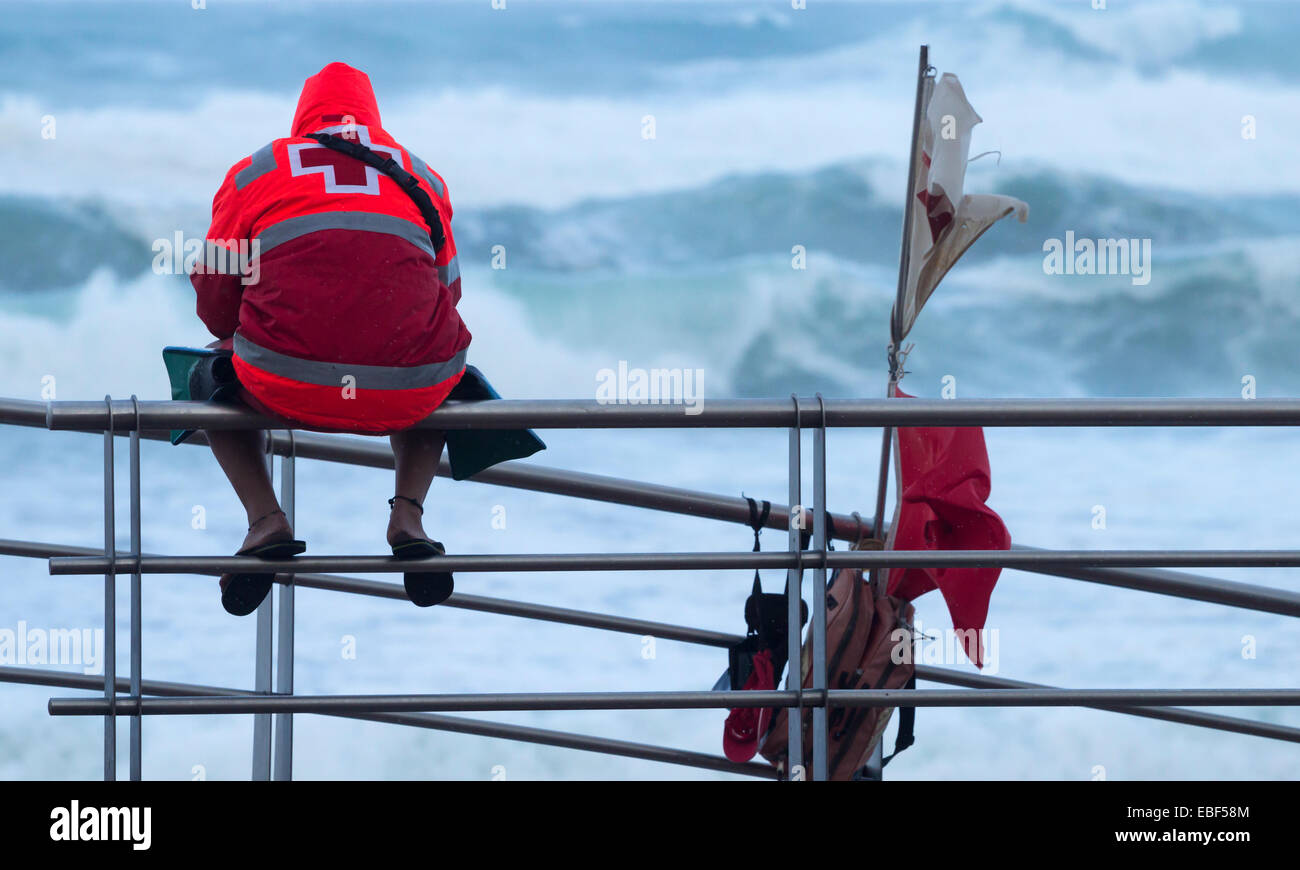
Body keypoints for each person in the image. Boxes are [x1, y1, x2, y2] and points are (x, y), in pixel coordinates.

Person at [190, 62, 469, 616]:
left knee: (203, 374)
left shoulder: (254, 171)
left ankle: (265, 520)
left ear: (303, 117)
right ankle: (408, 515)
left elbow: (215, 309)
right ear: (372, 118)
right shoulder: (423, 177)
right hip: (406, 392)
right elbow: (449, 293)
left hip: (282, 382)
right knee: (444, 372)